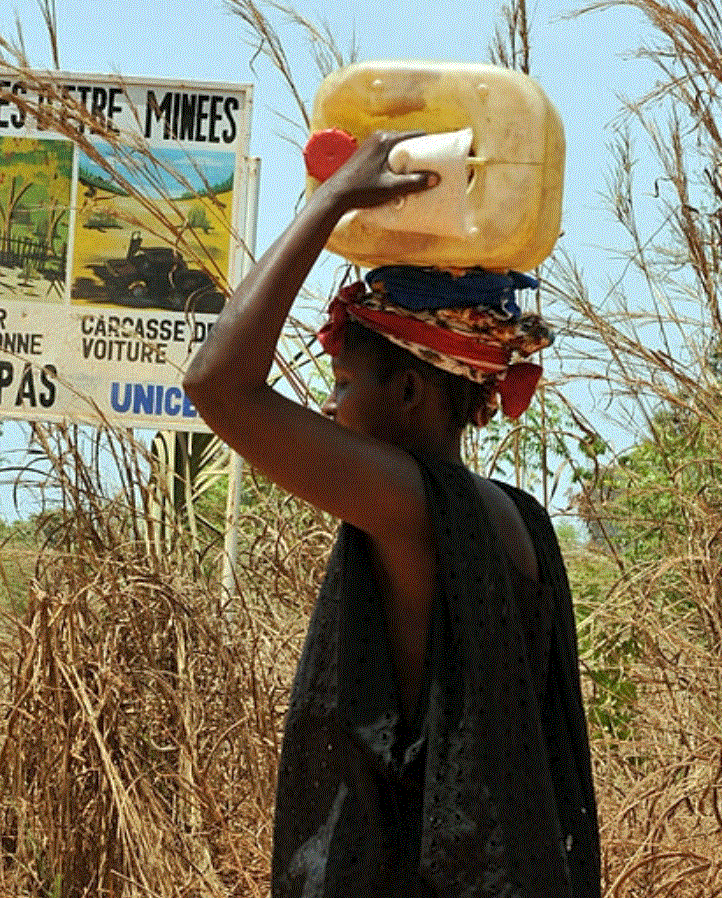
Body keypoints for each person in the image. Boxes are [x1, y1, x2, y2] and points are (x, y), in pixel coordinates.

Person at [183, 132, 600, 898]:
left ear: (408, 392)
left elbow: (216, 384)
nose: (328, 407)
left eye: (343, 383)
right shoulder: (514, 515)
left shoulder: (412, 504)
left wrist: (332, 201)